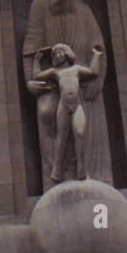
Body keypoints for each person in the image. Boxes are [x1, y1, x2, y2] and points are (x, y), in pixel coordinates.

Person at [23, 0, 110, 188]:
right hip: (53, 85)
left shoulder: (84, 10)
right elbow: (30, 48)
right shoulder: (40, 7)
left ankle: (88, 173)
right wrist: (29, 81)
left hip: (82, 83)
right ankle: (56, 176)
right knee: (46, 111)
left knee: (82, 127)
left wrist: (99, 81)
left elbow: (98, 47)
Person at [32, 43, 104, 182]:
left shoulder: (76, 69)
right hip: (63, 105)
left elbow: (93, 72)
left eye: (61, 52)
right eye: (56, 54)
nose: (58, 55)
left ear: (67, 53)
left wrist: (96, 56)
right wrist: (37, 60)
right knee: (62, 136)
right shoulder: (55, 72)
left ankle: (81, 166)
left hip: (77, 105)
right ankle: (57, 167)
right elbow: (37, 75)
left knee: (79, 132)